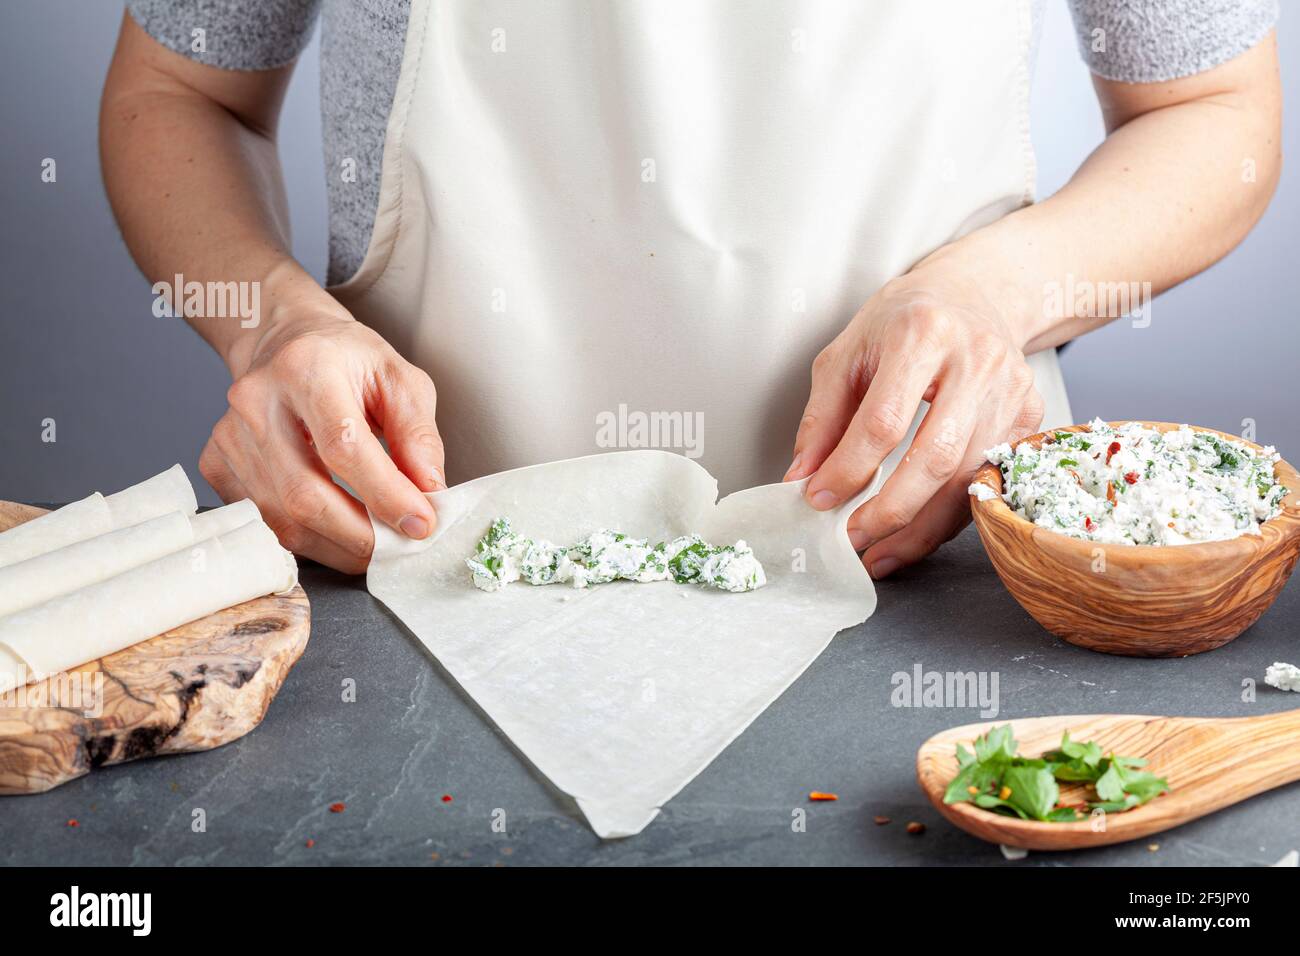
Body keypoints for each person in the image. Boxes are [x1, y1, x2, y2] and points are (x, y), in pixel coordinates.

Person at [102, 0, 1282, 576]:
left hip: (932, 568)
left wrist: (994, 293)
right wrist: (272, 328)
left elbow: (1214, 113)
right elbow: (178, 93)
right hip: (425, 560)